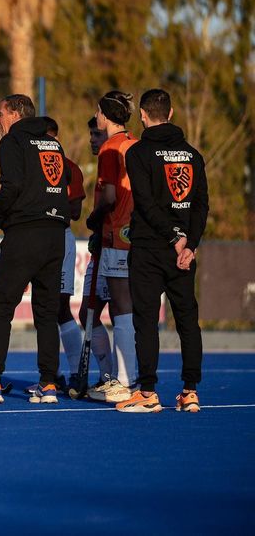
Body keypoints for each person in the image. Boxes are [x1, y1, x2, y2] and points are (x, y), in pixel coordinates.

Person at [0, 95, 69, 405]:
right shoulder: (53, 144)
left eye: (0, 113)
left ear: (16, 114)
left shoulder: (12, 141)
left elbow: (13, 187)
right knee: (47, 313)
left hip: (25, 235)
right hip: (55, 235)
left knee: (1, 307)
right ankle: (48, 383)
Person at [116, 88, 208, 413]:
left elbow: (145, 202)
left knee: (145, 319)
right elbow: (200, 206)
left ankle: (148, 392)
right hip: (183, 254)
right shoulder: (193, 155)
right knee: (187, 320)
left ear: (143, 116)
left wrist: (175, 238)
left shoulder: (137, 153)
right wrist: (190, 243)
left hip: (150, 248)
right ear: (170, 114)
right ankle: (190, 390)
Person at [85, 91, 137, 403]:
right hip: (136, 232)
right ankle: (122, 376)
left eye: (98, 111)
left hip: (116, 233)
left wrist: (94, 220)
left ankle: (126, 379)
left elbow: (108, 197)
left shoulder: (110, 147)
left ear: (105, 114)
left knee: (121, 305)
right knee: (123, 305)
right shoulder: (135, 143)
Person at [45, 116, 86, 388]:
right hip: (34, 238)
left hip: (60, 236)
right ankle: (49, 375)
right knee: (42, 307)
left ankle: (76, 373)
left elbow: (75, 211)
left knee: (60, 306)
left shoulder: (70, 168)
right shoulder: (29, 165)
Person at [79, 117, 114, 391]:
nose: (92, 139)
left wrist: (95, 219)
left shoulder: (115, 157)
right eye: (91, 134)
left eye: (96, 134)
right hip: (99, 248)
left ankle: (120, 379)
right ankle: (106, 376)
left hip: (116, 248)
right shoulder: (102, 163)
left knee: (118, 312)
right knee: (86, 313)